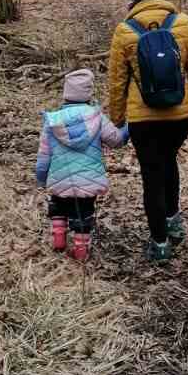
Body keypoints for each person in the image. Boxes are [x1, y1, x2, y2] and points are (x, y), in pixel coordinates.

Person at [107, 0, 188, 263]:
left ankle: (160, 243)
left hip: (143, 120)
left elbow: (116, 82)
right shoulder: (184, 23)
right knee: (168, 161)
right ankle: (173, 221)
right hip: (181, 117)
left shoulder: (124, 31)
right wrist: (185, 94)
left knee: (152, 174)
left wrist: (117, 117)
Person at [35, 68, 129, 260]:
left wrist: (42, 177)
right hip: (88, 181)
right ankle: (81, 251)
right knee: (84, 213)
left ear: (66, 94)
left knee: (58, 208)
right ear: (88, 93)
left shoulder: (53, 121)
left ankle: (59, 241)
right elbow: (116, 140)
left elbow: (44, 155)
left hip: (60, 178)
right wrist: (129, 127)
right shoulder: (96, 117)